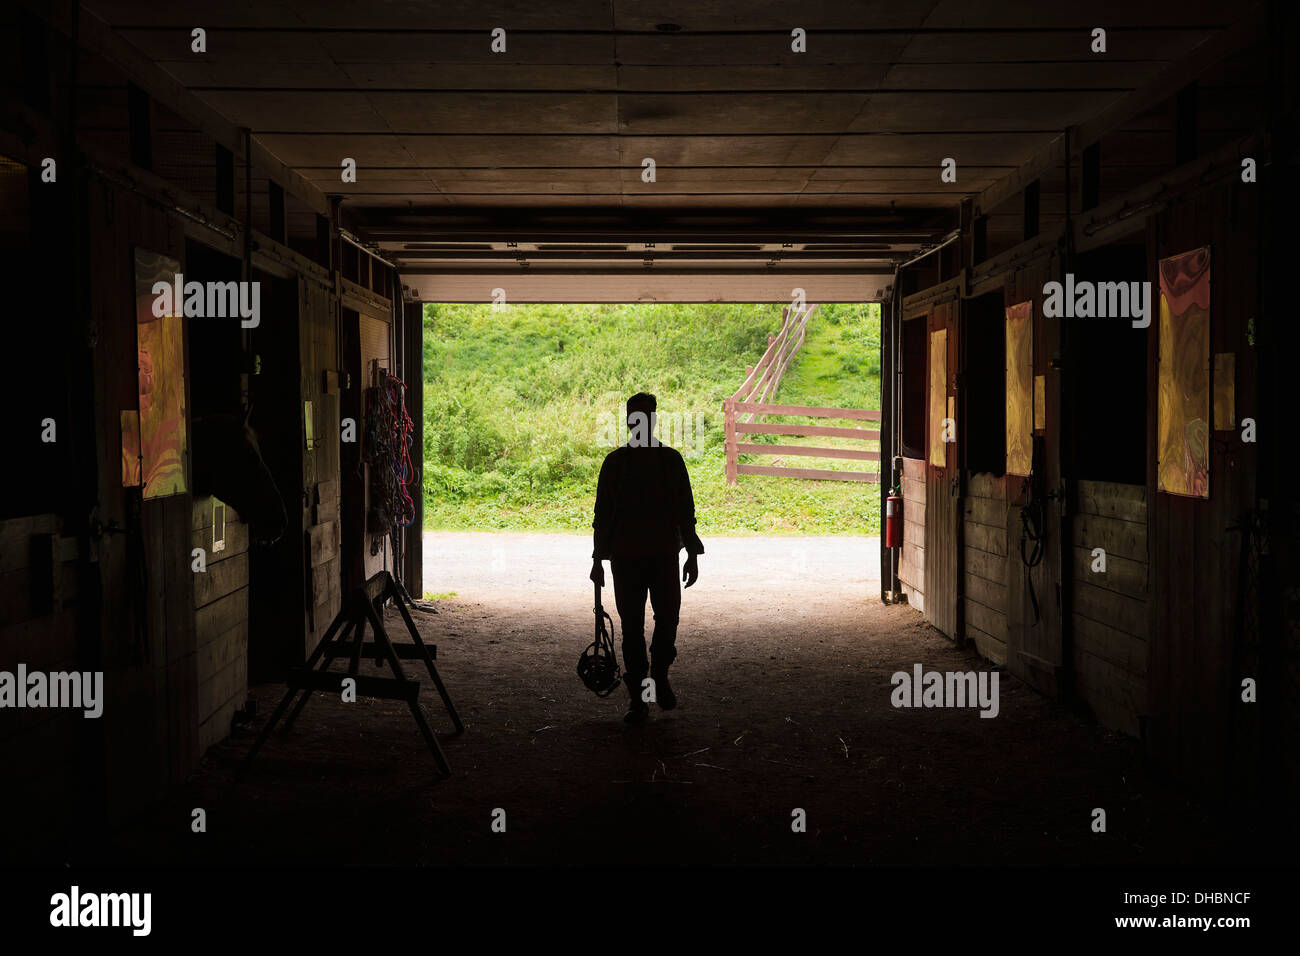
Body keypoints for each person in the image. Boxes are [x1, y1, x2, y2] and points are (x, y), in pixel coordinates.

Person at [590, 393, 703, 723]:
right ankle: (646, 693)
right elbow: (603, 513)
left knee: (654, 624)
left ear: (652, 421)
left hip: (646, 556)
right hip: (646, 557)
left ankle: (652, 684)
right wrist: (597, 559)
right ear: (630, 421)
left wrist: (692, 553)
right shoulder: (649, 461)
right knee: (642, 626)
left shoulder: (636, 462)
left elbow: (686, 510)